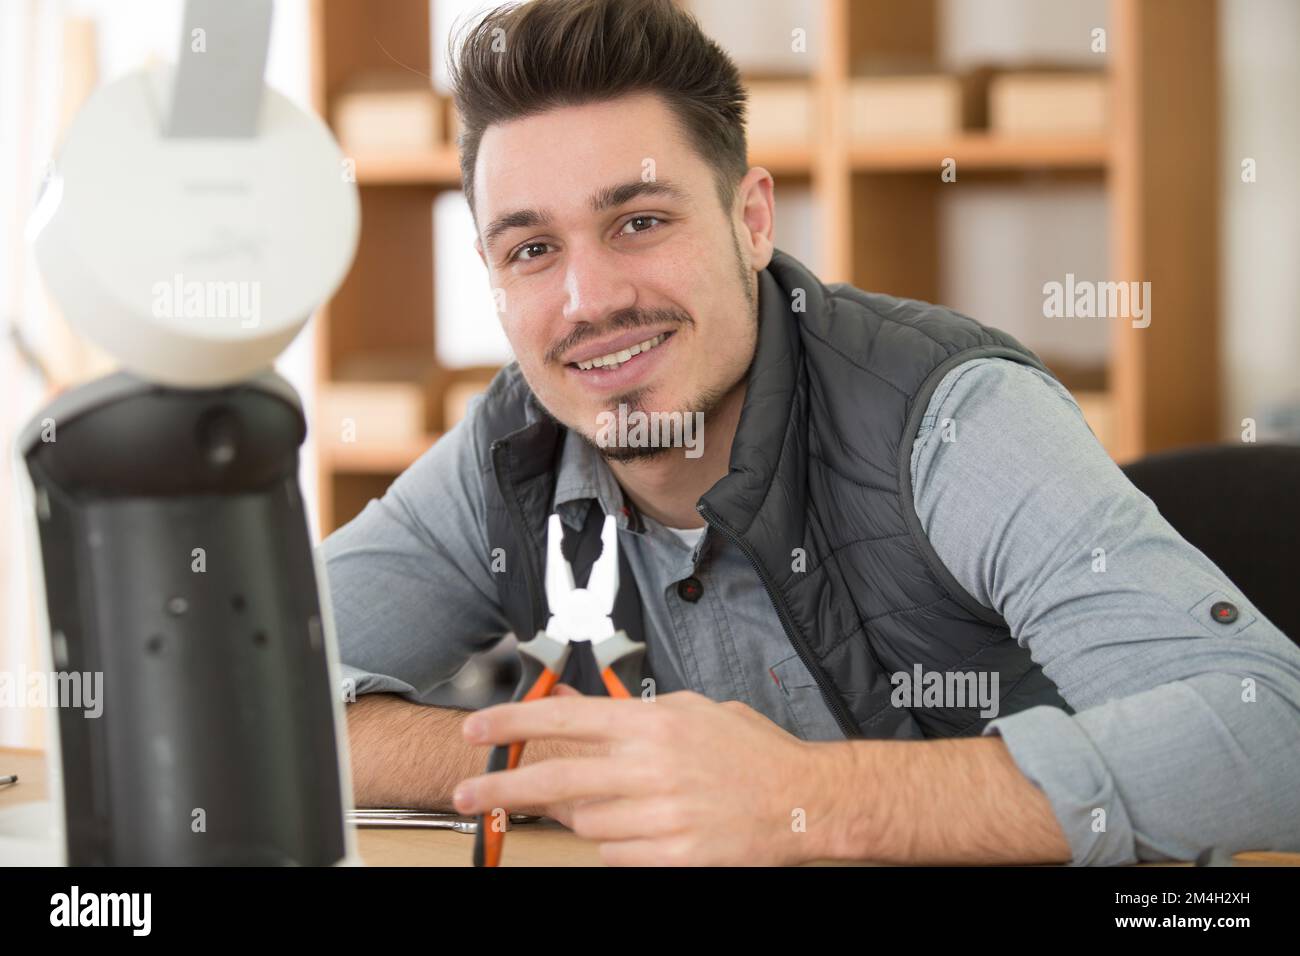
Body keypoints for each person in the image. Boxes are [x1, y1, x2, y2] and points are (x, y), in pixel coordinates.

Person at [322, 0, 1300, 865]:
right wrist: (554, 755)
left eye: (638, 221)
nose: (588, 299)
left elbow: (1272, 735)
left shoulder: (951, 417)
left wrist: (809, 797)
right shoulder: (514, 443)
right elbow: (235, 683)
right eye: (531, 249)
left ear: (751, 220)